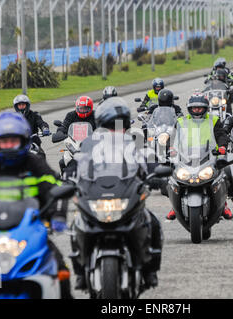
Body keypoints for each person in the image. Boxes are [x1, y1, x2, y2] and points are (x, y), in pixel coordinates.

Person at [0, 112, 73, 299]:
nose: (9, 146)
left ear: (23, 141)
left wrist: (57, 216)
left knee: (59, 270)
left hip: (30, 229)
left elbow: (56, 189)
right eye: (4, 142)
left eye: (13, 141)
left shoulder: (34, 163)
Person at [69, 97, 165, 290]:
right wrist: (69, 177)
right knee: (75, 225)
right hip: (98, 195)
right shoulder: (90, 144)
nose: (115, 129)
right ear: (101, 126)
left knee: (153, 224)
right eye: (110, 125)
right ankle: (80, 272)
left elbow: (149, 160)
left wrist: (156, 173)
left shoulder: (134, 143)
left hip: (126, 194)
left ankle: (150, 270)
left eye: (118, 125)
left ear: (126, 125)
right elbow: (77, 162)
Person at [166, 93, 233, 221]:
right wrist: (170, 148)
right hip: (186, 156)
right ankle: (174, 206)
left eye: (200, 108)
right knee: (171, 177)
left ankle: (224, 204)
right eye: (194, 108)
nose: (197, 110)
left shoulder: (213, 120)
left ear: (205, 108)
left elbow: (221, 135)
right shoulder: (181, 121)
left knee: (224, 174)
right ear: (189, 109)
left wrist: (222, 146)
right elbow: (173, 137)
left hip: (209, 155)